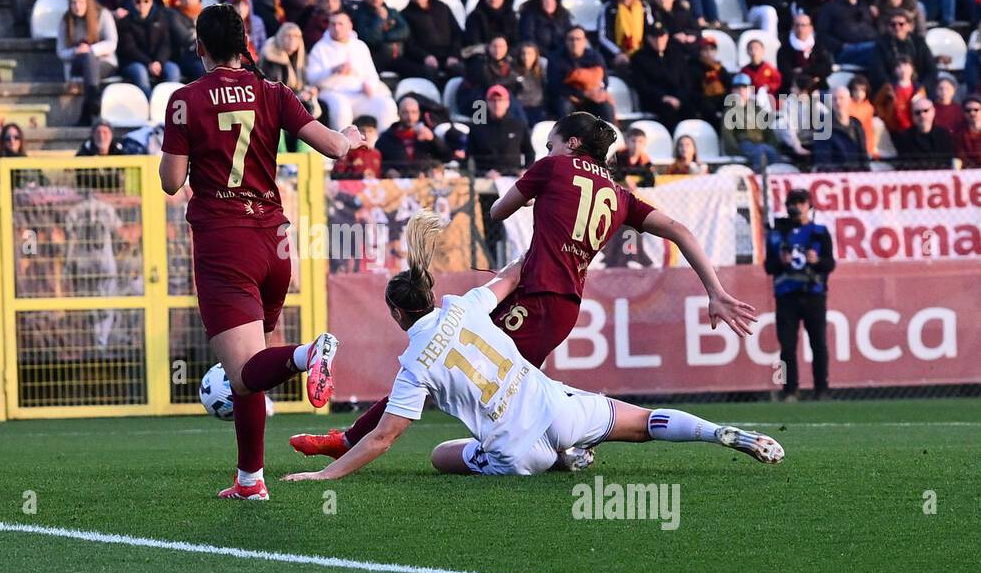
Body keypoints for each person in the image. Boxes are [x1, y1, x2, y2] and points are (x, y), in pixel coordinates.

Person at [291, 117, 761, 461]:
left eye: (553, 142)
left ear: (570, 144)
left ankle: (354, 440)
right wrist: (714, 290)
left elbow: (498, 212)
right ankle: (563, 449)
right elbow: (679, 228)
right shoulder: (619, 195)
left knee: (444, 357)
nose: (550, 149)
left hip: (537, 298)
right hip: (562, 302)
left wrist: (529, 204)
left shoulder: (554, 168)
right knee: (506, 385)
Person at [158, 2, 364, 499]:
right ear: (246, 43)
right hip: (274, 241)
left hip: (225, 242)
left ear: (200, 48)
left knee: (244, 370)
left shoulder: (185, 99)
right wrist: (351, 137)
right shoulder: (274, 91)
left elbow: (171, 181)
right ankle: (250, 478)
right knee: (251, 370)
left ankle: (308, 352)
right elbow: (335, 148)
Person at [765, 188, 833, 402]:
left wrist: (817, 261)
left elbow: (830, 264)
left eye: (800, 202)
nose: (796, 207)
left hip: (814, 295)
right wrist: (780, 262)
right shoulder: (776, 235)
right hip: (786, 296)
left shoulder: (820, 233)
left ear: (809, 206)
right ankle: (789, 390)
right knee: (786, 346)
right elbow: (769, 266)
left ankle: (822, 389)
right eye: (792, 203)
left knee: (819, 344)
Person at [306, 11, 399, 131]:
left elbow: (371, 74)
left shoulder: (360, 46)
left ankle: (380, 146)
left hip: (358, 93)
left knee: (387, 105)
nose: (337, 28)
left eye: (340, 24)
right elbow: (311, 78)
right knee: (341, 108)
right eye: (333, 24)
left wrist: (369, 85)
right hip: (332, 92)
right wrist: (333, 71)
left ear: (350, 26)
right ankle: (343, 147)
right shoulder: (320, 48)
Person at [58, 0, 118, 123]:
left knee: (89, 58)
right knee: (88, 58)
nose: (77, 6)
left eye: (80, 2)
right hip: (77, 64)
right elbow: (61, 51)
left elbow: (112, 43)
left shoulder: (103, 15)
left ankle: (87, 109)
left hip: (105, 63)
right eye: (73, 3)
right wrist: (76, 51)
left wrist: (90, 49)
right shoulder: (66, 20)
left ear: (88, 3)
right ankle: (94, 100)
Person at [118, 0, 180, 97]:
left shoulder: (161, 18)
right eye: (138, 1)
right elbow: (129, 49)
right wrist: (148, 63)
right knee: (140, 72)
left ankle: (170, 102)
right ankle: (150, 104)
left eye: (146, 1)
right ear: (133, 2)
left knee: (173, 70)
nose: (142, 4)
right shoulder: (125, 21)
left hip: (158, 61)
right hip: (134, 62)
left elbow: (165, 44)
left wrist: (159, 61)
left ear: (151, 2)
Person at [629, 23, 694, 127]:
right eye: (655, 38)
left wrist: (679, 98)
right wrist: (663, 97)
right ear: (648, 38)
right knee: (668, 111)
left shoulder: (676, 54)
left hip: (678, 97)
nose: (659, 41)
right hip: (655, 100)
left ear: (667, 37)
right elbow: (642, 86)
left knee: (694, 107)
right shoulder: (639, 58)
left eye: (661, 37)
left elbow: (686, 80)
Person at [402, 0, 464, 82]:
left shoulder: (442, 7)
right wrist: (425, 57)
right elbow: (409, 43)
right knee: (427, 74)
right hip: (424, 58)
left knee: (461, 70)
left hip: (449, 54)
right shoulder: (405, 14)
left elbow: (457, 33)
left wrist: (454, 54)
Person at [548, 26, 615, 121]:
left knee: (605, 105)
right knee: (563, 104)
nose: (574, 42)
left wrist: (597, 93)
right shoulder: (555, 58)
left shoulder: (595, 57)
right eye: (571, 39)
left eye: (578, 39)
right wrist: (583, 93)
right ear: (566, 41)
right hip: (569, 97)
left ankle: (609, 134)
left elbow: (604, 81)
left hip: (592, 98)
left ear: (585, 41)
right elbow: (555, 85)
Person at [352, 0, 416, 78]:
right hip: (375, 58)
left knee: (420, 71)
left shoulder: (392, 12)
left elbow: (405, 31)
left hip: (397, 57)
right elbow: (370, 38)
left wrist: (385, 36)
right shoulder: (361, 15)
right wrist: (379, 19)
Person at [375, 96, 452, 175]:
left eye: (414, 112)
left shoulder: (427, 134)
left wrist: (433, 139)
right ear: (398, 113)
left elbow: (447, 157)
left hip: (425, 181)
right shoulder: (386, 138)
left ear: (419, 114)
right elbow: (377, 162)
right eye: (405, 112)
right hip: (398, 181)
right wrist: (387, 171)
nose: (410, 117)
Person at [260, 22, 319, 119]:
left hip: (293, 100)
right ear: (280, 38)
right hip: (275, 105)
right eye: (288, 36)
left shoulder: (300, 57)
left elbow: (301, 84)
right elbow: (271, 91)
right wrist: (297, 97)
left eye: (296, 36)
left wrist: (308, 91)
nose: (292, 39)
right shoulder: (271, 58)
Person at [721, 72, 781, 168]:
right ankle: (758, 179)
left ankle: (775, 179)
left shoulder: (756, 107)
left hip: (760, 143)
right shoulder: (730, 110)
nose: (741, 90)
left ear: (750, 90)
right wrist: (735, 151)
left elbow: (767, 130)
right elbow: (727, 134)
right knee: (760, 152)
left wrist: (774, 145)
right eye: (737, 88)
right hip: (743, 143)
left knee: (772, 152)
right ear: (732, 91)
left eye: (745, 87)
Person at [811, 85, 869, 170]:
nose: (838, 102)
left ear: (849, 100)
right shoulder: (823, 127)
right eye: (834, 99)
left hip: (859, 175)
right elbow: (823, 161)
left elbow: (863, 155)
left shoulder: (857, 124)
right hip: (837, 176)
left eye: (841, 98)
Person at [893, 96, 957, 168]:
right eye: (917, 113)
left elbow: (948, 161)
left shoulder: (944, 135)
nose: (922, 115)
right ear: (912, 116)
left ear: (933, 112)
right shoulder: (904, 138)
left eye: (926, 111)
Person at [955, 96, 981, 167]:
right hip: (968, 171)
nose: (972, 113)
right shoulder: (959, 132)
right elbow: (960, 155)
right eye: (968, 110)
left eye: (976, 110)